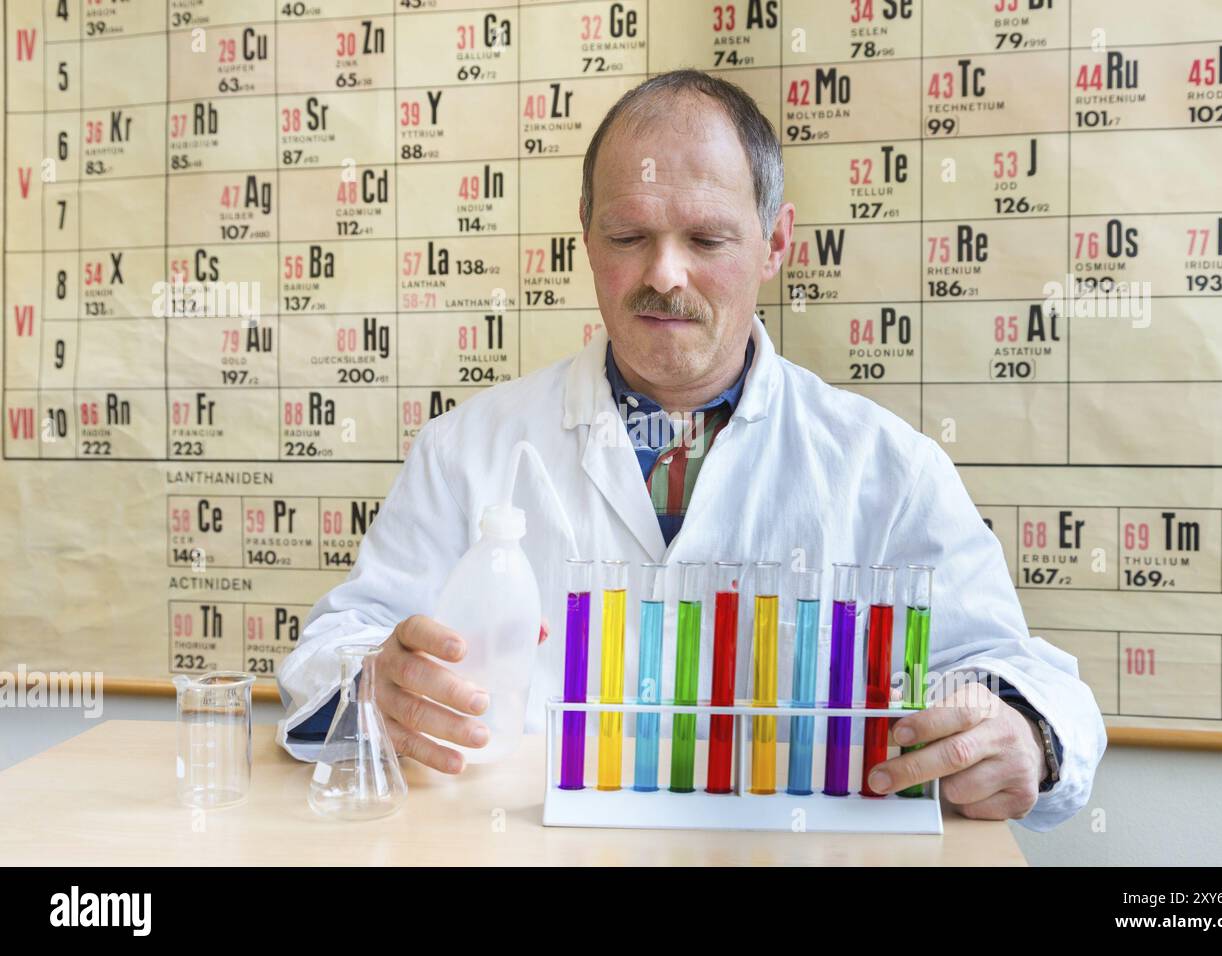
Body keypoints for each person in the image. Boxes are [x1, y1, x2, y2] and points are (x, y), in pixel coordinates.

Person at [277, 69, 1106, 831]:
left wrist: (1021, 732)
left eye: (706, 240)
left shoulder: (885, 467)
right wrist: (373, 689)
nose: (665, 274)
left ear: (775, 244)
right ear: (586, 240)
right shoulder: (469, 450)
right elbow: (332, 650)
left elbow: (1021, 678)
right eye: (629, 235)